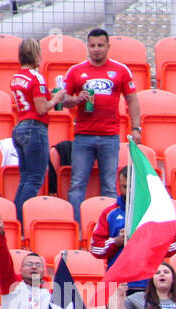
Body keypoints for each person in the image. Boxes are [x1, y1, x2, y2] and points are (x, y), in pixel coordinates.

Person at [63, 28, 140, 225]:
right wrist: (76, 98)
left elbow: (132, 100)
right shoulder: (76, 71)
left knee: (109, 186)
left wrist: (136, 128)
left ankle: (110, 226)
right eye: (92, 46)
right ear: (87, 47)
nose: (96, 49)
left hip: (110, 136)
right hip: (83, 136)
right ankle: (77, 228)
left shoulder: (121, 70)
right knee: (77, 185)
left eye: (100, 45)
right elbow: (62, 100)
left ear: (108, 47)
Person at [91, 166, 176, 292]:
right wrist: (117, 241)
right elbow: (95, 249)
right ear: (119, 186)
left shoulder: (158, 212)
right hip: (118, 284)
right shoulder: (109, 213)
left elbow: (175, 244)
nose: (129, 191)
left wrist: (148, 239)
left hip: (151, 285)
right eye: (125, 187)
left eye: (132, 187)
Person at [10, 38, 65, 226]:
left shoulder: (17, 76)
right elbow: (42, 109)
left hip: (20, 126)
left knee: (25, 178)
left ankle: (16, 221)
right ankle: (22, 221)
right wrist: (56, 97)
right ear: (36, 55)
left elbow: (32, 98)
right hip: (35, 127)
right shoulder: (36, 77)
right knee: (35, 178)